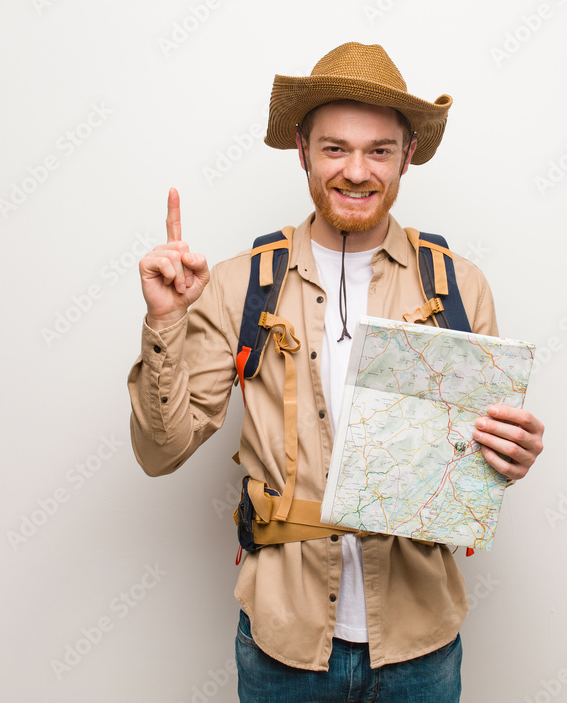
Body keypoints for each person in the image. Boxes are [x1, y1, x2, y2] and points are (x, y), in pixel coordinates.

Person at [127, 42, 544, 702]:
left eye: (379, 149)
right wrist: (166, 324)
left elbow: (471, 467)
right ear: (301, 150)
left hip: (421, 643)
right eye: (335, 148)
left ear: (407, 155)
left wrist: (510, 456)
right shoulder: (240, 284)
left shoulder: (459, 285)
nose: (357, 171)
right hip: (283, 642)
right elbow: (160, 451)